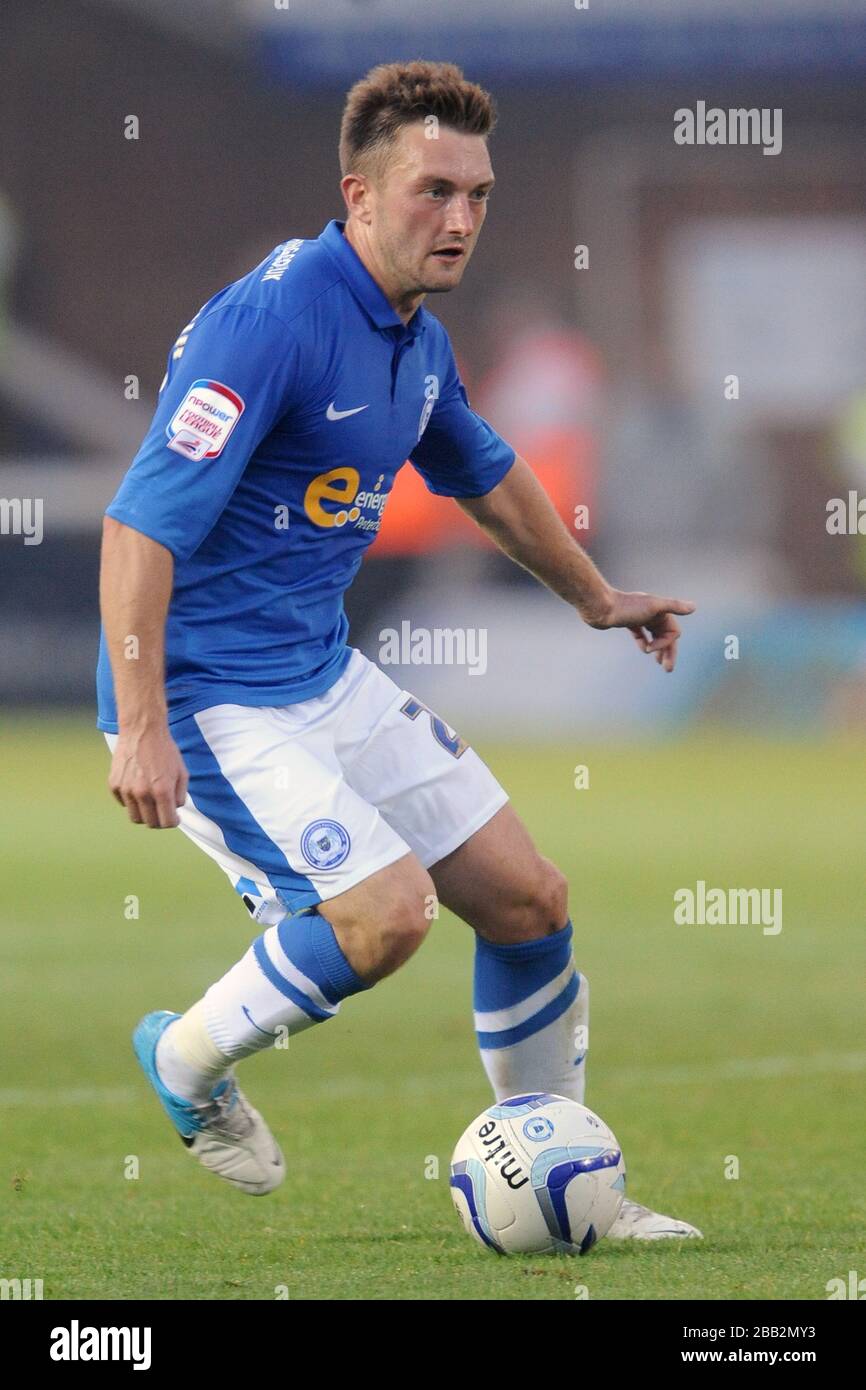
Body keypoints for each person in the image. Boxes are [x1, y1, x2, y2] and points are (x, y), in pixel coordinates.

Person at [97, 60, 699, 1241]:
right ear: (358, 196)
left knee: (529, 900)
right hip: (211, 698)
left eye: (478, 193)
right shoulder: (270, 320)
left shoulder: (410, 339)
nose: (461, 218)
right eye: (433, 191)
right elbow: (136, 524)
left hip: (322, 675)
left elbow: (480, 468)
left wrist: (593, 596)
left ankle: (564, 1187)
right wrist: (145, 719)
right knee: (386, 917)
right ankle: (183, 1057)